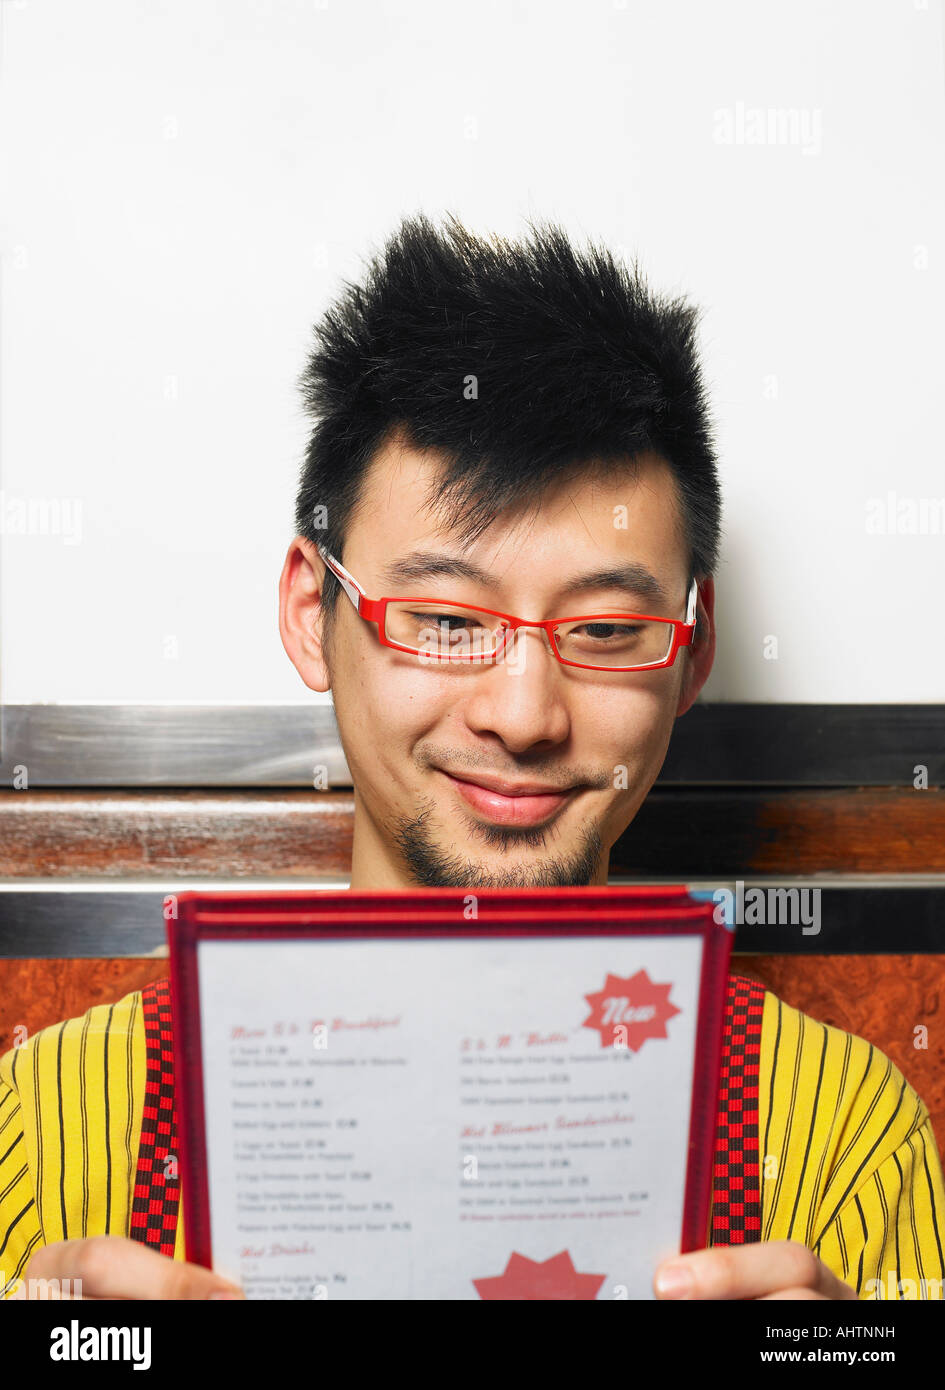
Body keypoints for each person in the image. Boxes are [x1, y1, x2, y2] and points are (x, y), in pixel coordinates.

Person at [3, 215, 942, 1301]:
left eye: (602, 630)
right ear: (314, 612)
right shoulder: (56, 1119)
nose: (524, 712)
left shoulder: (842, 1135)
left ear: (693, 656)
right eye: (446, 619)